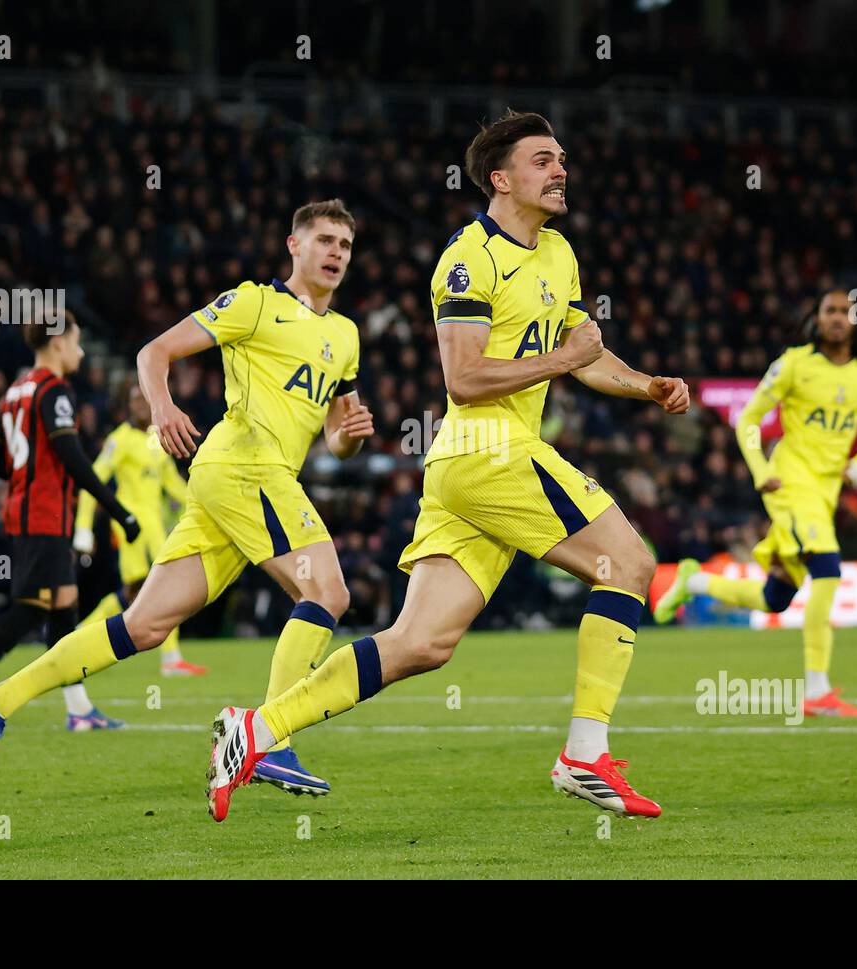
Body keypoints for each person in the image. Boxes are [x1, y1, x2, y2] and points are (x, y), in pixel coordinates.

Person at [196, 110, 690, 821]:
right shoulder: (469, 259)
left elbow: (586, 353)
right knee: (630, 565)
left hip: (472, 469)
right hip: (489, 449)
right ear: (501, 178)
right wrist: (564, 359)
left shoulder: (558, 253)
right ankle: (585, 753)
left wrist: (644, 383)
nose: (561, 171)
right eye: (543, 160)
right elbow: (464, 377)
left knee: (419, 642)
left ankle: (257, 728)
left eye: (562, 160)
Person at [0, 200, 374, 793]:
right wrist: (163, 407)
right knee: (327, 591)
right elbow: (153, 352)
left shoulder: (346, 335)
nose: (336, 253)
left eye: (345, 245)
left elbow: (336, 439)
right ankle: (270, 739)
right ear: (294, 246)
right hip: (244, 468)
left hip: (254, 481)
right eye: (325, 241)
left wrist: (349, 440)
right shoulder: (256, 302)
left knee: (145, 625)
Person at [654, 290, 857, 717]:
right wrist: (762, 471)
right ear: (816, 319)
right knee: (827, 568)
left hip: (826, 491)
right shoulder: (793, 364)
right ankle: (817, 690)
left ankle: (696, 583)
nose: (838, 318)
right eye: (829, 311)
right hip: (790, 482)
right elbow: (747, 419)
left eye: (845, 311)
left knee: (775, 597)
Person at [0, 313, 141, 736]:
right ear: (59, 343)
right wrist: (119, 511)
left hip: (26, 511)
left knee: (63, 605)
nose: (81, 352)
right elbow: (73, 457)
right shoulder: (53, 390)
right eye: (77, 342)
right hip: (43, 515)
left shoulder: (15, 392)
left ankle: (79, 708)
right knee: (33, 608)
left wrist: (27, 472)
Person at [72, 382, 208, 677]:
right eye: (135, 400)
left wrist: (202, 506)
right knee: (140, 591)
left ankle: (79, 635)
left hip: (156, 528)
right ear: (126, 406)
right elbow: (91, 483)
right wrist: (83, 528)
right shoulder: (118, 441)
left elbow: (172, 482)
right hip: (131, 528)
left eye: (145, 399)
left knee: (151, 590)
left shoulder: (155, 438)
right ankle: (79, 636)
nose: (141, 406)